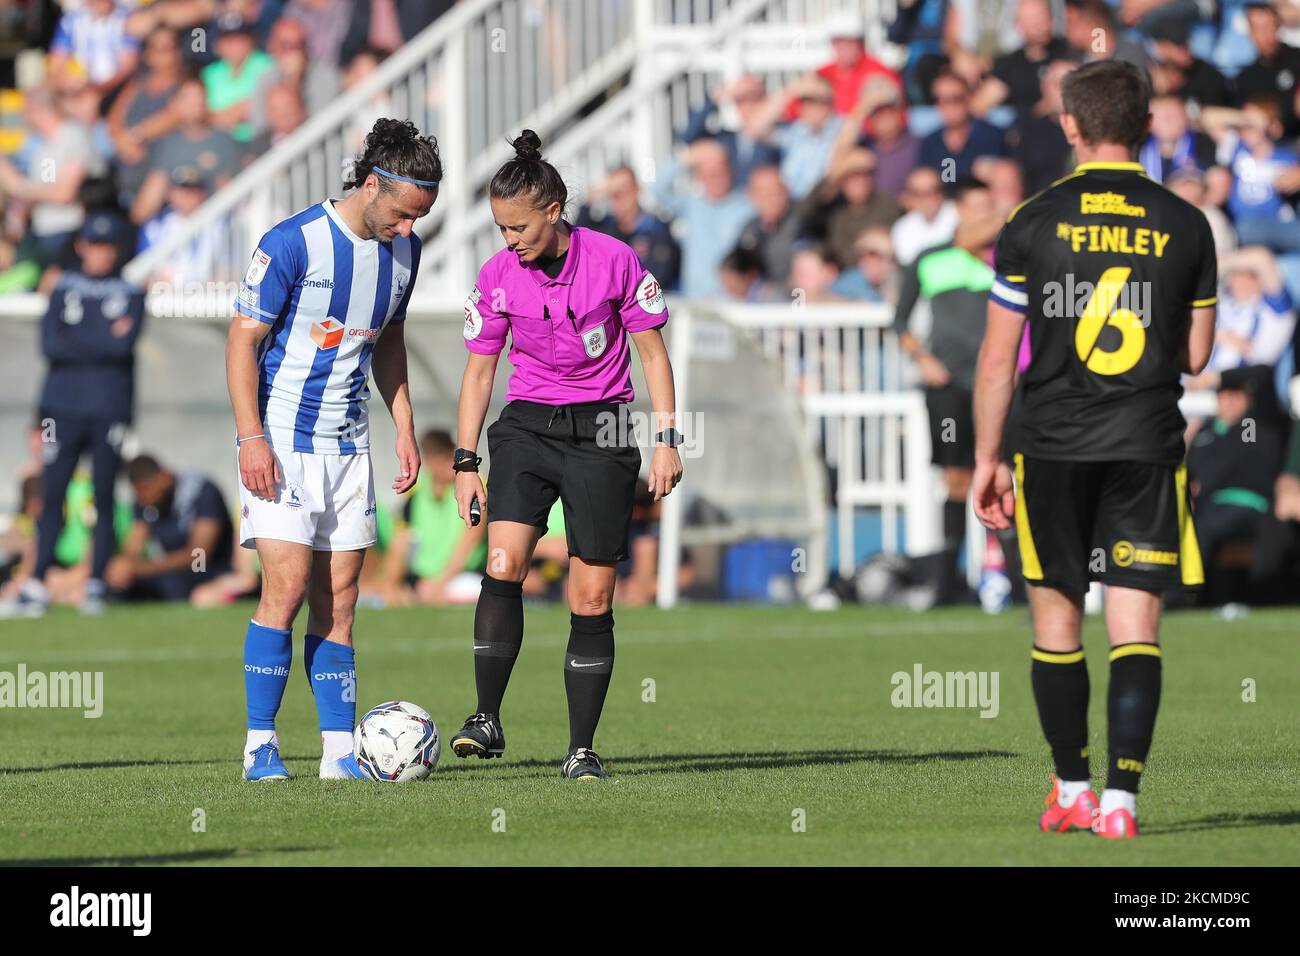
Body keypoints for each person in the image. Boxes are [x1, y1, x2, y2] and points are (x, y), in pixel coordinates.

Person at [973, 59, 1218, 839]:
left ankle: (1072, 787)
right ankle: (1123, 804)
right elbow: (1198, 355)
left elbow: (995, 358)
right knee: (1135, 629)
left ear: (1071, 126)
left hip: (1051, 445)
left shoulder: (1032, 221)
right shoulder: (1186, 223)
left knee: (1056, 626)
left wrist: (984, 457)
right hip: (1144, 441)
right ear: (1146, 124)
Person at [451, 130, 684, 780]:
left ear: (554, 211)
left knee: (590, 597)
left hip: (604, 432)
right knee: (502, 561)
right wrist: (466, 462)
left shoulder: (614, 260)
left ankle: (581, 749)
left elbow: (653, 355)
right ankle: (486, 716)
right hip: (526, 427)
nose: (510, 239)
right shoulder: (497, 276)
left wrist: (667, 439)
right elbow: (478, 375)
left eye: (518, 226)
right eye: (500, 227)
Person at [225, 118, 437, 782]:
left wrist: (403, 425)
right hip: (283, 441)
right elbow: (242, 343)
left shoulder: (407, 251)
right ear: (371, 184)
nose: (408, 229)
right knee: (285, 589)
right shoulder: (292, 243)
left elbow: (391, 341)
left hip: (350, 447)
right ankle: (260, 744)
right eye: (402, 214)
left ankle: (339, 755)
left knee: (340, 601)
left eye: (419, 218)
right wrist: (250, 437)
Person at [2, 211, 143, 618]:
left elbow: (122, 347)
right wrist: (102, 339)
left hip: (108, 410)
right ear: (82, 247)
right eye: (93, 245)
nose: (99, 254)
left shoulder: (130, 290)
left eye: (106, 246)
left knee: (102, 496)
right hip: (61, 410)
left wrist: (81, 340)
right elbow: (51, 347)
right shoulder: (63, 287)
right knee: (50, 496)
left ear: (115, 250)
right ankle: (36, 581)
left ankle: (95, 581)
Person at [895, 178, 1001, 603]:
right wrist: (923, 359)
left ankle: (1009, 579)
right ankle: (946, 582)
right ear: (959, 210)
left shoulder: (1005, 259)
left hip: (995, 385)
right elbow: (899, 321)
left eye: (990, 206)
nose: (986, 216)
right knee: (956, 478)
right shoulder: (930, 259)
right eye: (977, 207)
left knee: (1003, 476)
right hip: (949, 386)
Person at [107, 455, 235, 601]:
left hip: (208, 569)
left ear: (164, 477)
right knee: (120, 587)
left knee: (172, 585)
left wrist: (141, 568)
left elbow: (199, 556)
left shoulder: (201, 491)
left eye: (147, 489)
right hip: (169, 569)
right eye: (139, 493)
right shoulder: (145, 501)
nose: (144, 498)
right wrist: (123, 566)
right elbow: (133, 545)